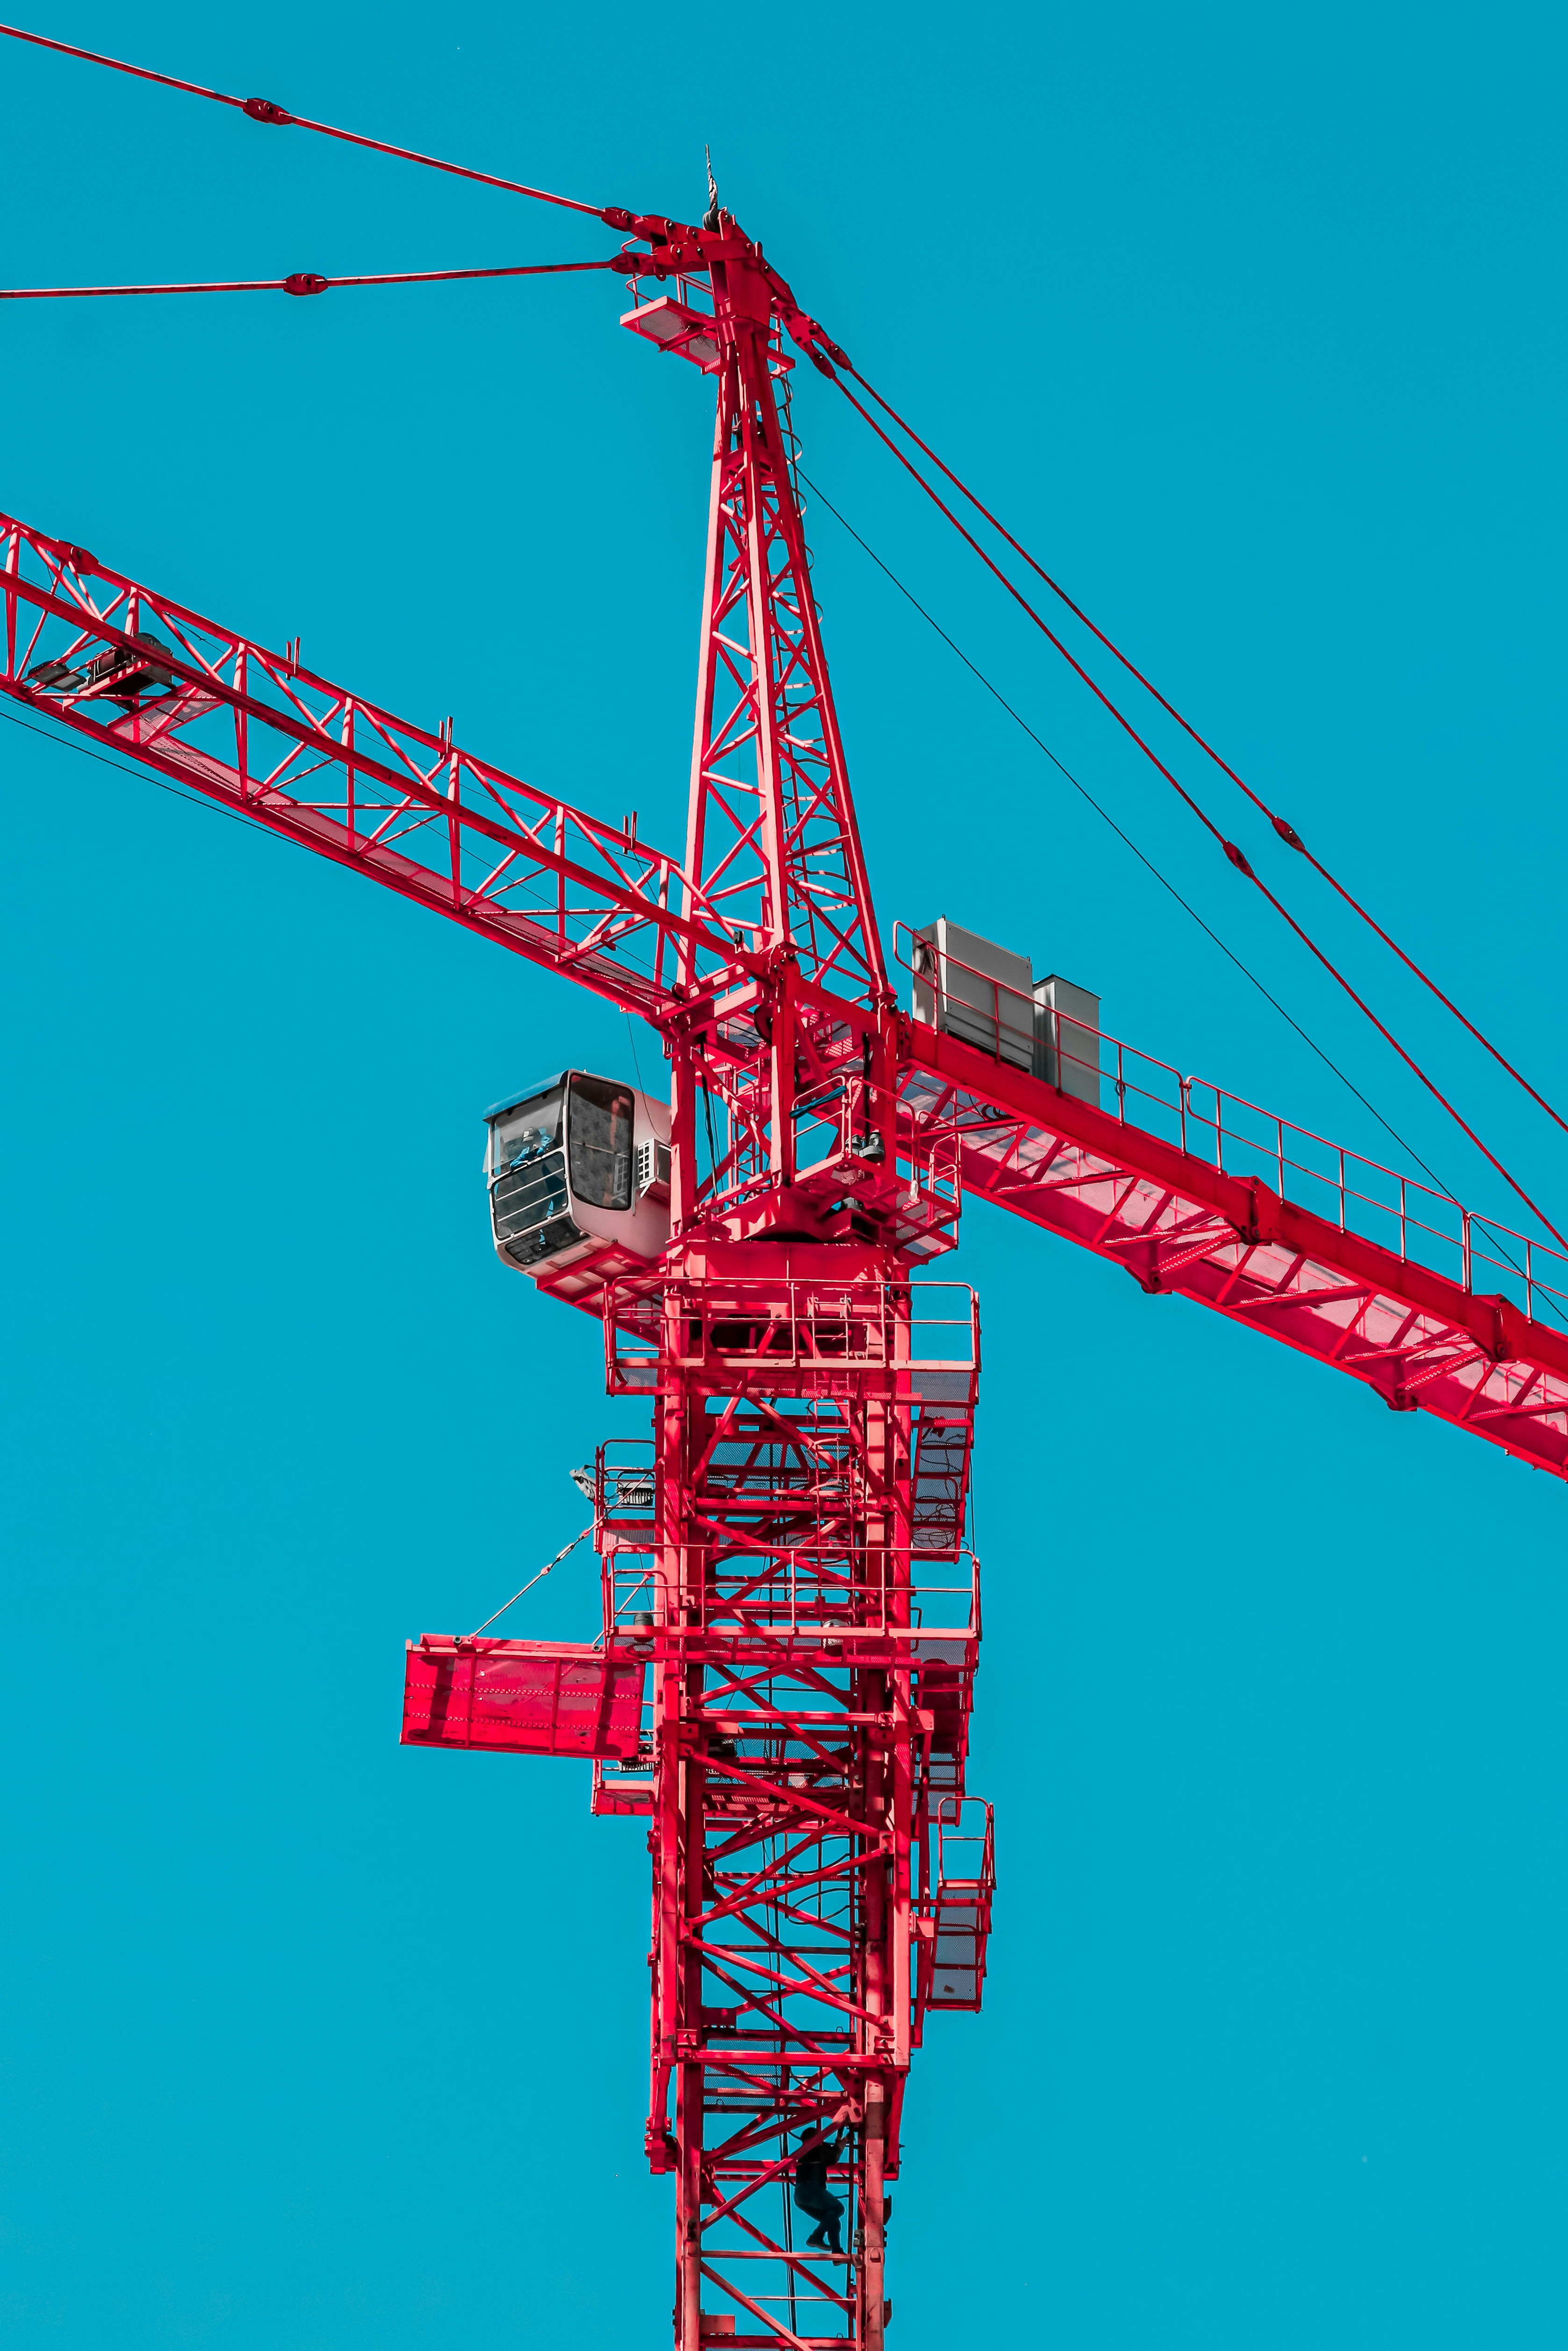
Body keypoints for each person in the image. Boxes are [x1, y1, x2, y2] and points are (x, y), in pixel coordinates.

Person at [793, 2128, 846, 2255]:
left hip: (801, 2195)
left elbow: (829, 2154)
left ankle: (837, 2252)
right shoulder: (813, 2148)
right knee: (838, 2208)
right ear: (813, 2138)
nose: (822, 2140)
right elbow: (833, 2157)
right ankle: (817, 2236)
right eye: (819, 2137)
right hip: (809, 2190)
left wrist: (840, 2142)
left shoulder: (806, 2151)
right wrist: (843, 2143)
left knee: (834, 2221)